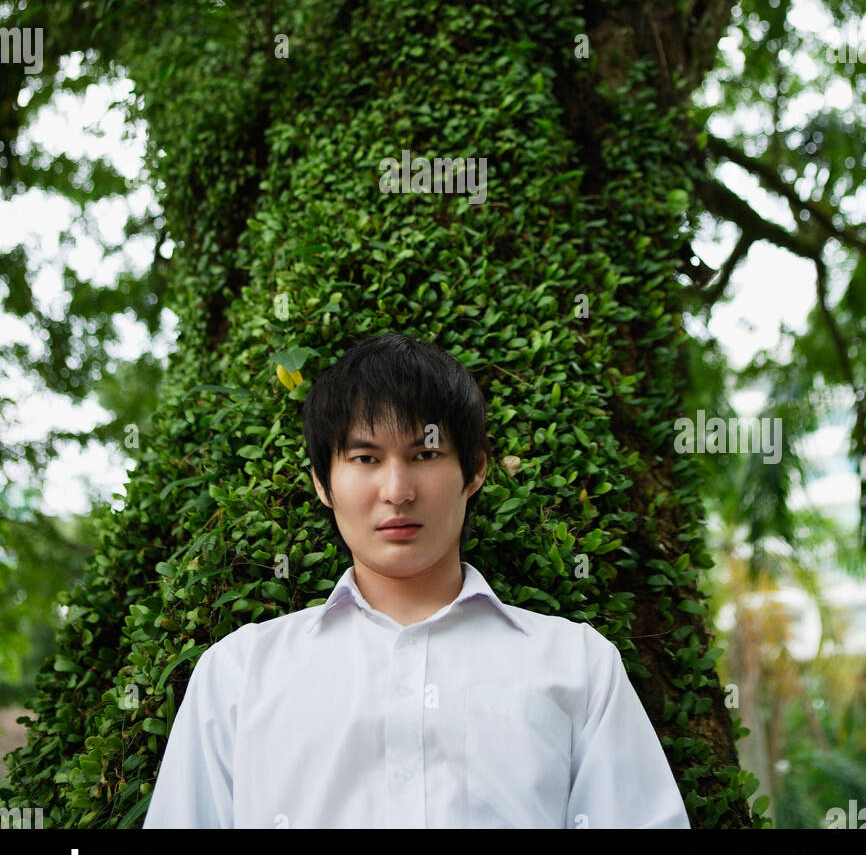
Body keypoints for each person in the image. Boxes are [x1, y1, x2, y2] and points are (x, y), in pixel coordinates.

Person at [143, 332, 690, 829]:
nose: (398, 490)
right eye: (365, 457)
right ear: (322, 483)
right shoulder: (239, 674)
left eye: (425, 454)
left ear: (474, 470)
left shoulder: (579, 665)